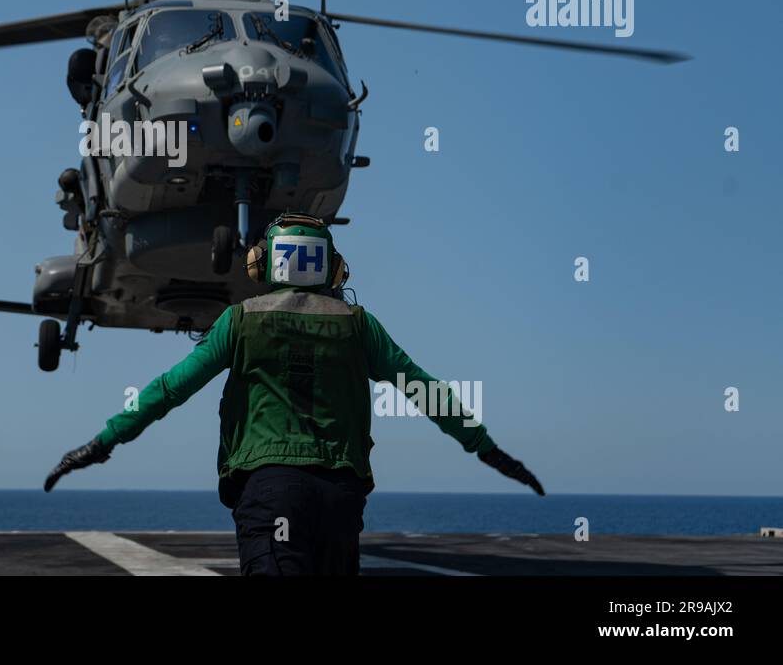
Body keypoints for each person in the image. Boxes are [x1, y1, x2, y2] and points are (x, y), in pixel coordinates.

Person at [44, 212, 545, 575]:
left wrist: (102, 442)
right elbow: (425, 390)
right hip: (341, 502)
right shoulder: (358, 324)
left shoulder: (240, 321)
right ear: (332, 268)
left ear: (264, 265)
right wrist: (488, 449)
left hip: (271, 491)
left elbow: (170, 388)